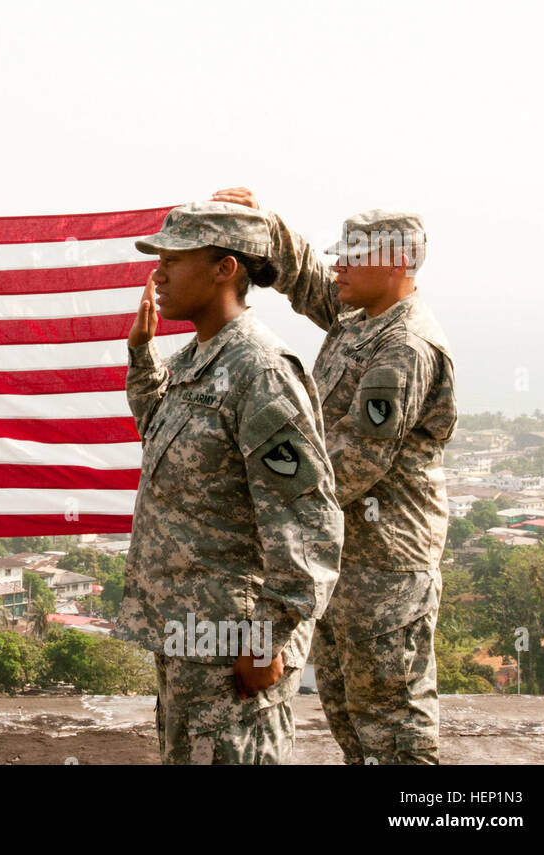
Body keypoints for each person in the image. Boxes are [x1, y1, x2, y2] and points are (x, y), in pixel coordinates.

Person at [213, 189, 456, 764]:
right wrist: (264, 223)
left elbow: (350, 465)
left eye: (353, 256)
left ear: (396, 263)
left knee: (393, 724)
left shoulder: (404, 348)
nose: (339, 265)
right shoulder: (361, 318)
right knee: (348, 713)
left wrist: (261, 508)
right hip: (346, 558)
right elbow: (306, 281)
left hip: (386, 565)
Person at [115, 201, 343, 765]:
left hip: (233, 644)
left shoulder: (259, 370)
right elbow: (163, 438)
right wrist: (141, 355)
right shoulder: (200, 358)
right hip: (188, 636)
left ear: (226, 268)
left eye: (173, 259)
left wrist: (266, 638)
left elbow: (310, 518)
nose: (158, 274)